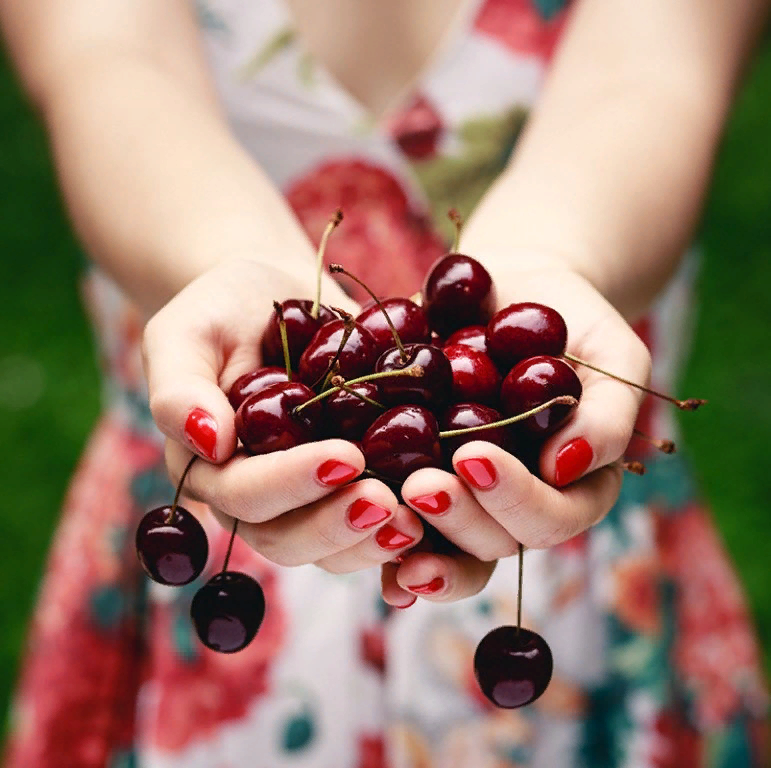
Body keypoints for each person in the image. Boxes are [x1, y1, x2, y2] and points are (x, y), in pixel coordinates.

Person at [1, 0, 769, 765]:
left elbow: (648, 77)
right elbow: (109, 66)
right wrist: (221, 260)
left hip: (568, 556)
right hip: (212, 530)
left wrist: (555, 257)